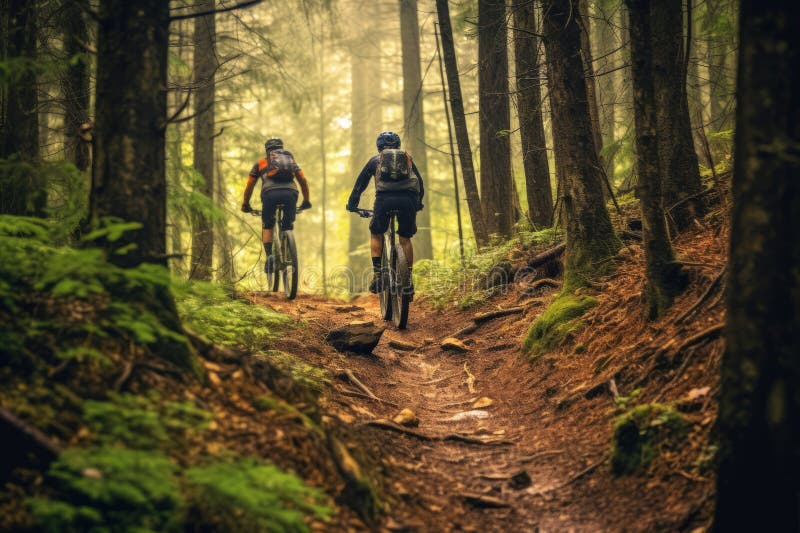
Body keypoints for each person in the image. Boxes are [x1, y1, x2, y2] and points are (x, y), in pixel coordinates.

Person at [346, 131, 424, 295]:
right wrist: (417, 203)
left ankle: (378, 275)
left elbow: (360, 184)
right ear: (398, 145)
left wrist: (352, 205)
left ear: (379, 146)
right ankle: (408, 279)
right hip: (408, 199)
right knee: (405, 238)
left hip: (384, 200)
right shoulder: (407, 158)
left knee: (376, 232)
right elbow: (420, 182)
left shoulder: (375, 160)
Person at [241, 138, 311, 273]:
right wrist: (306, 200)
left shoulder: (261, 163)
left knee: (268, 225)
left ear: (267, 150)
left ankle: (270, 256)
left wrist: (246, 204)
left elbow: (250, 184)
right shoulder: (290, 161)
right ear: (282, 148)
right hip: (291, 193)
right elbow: (302, 179)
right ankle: (287, 248)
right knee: (288, 225)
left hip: (269, 194)